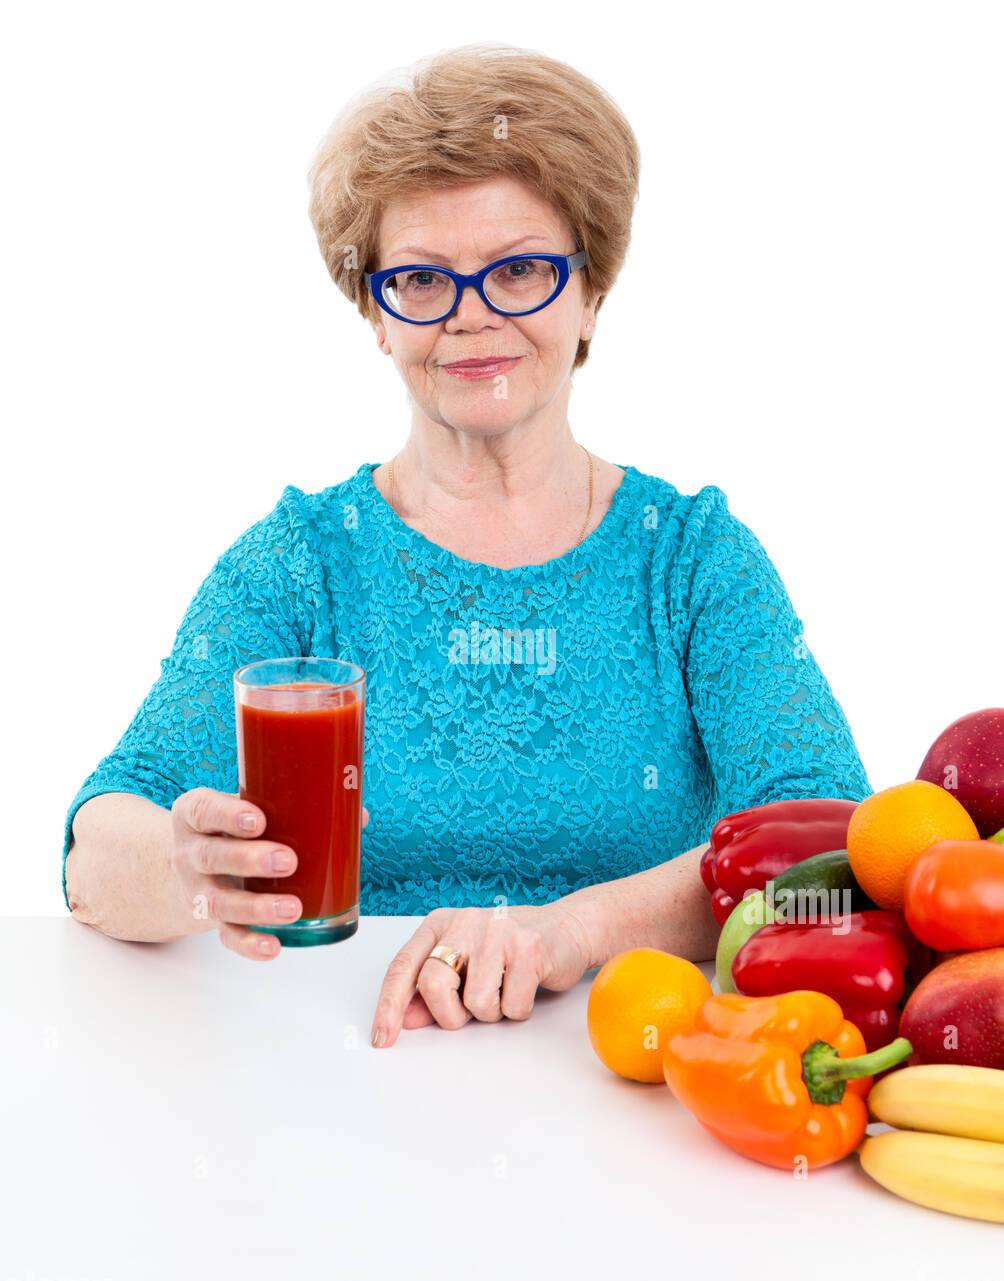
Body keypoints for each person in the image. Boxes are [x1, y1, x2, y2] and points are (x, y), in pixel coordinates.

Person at [63, 43, 872, 1050]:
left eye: (521, 268)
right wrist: (186, 871)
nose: (472, 315)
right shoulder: (302, 559)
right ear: (374, 313)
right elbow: (97, 844)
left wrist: (569, 930)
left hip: (643, 1089)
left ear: (591, 292)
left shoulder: (692, 559)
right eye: (419, 279)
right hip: (348, 1083)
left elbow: (828, 840)